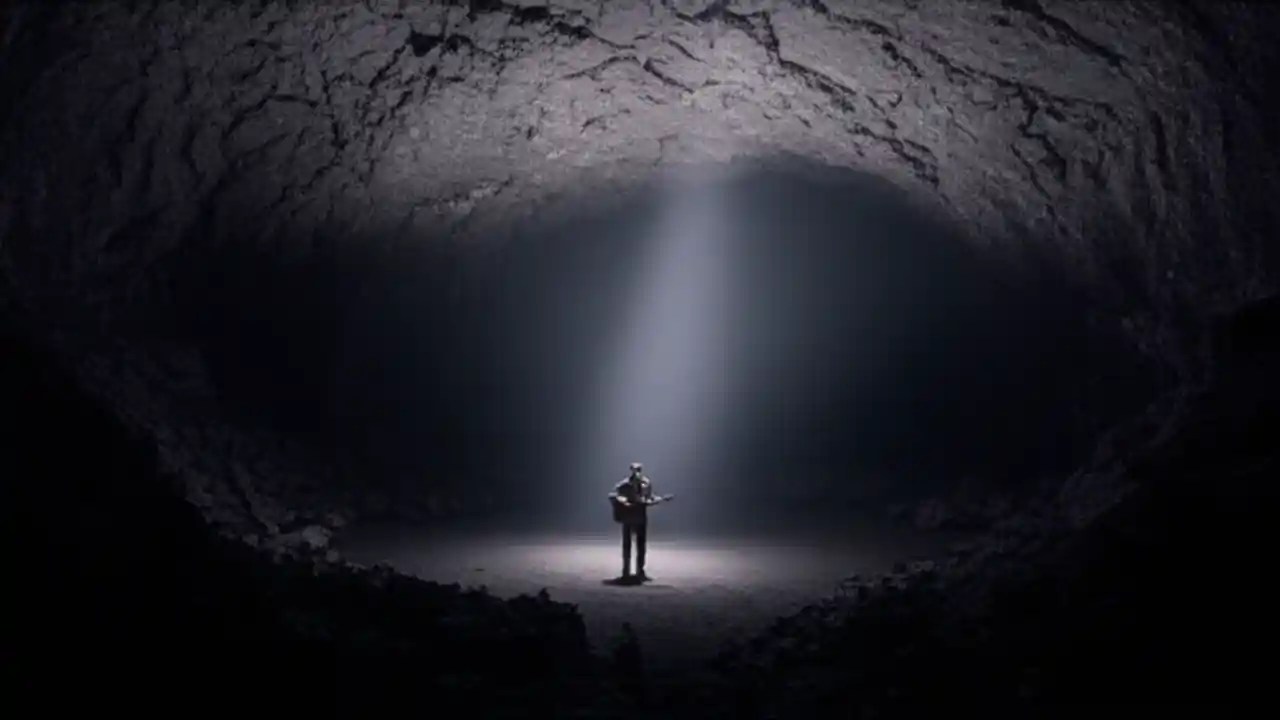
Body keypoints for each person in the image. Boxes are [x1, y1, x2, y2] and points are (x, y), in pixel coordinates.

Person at [611, 462, 654, 580]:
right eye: (635, 470)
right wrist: (623, 502)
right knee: (627, 545)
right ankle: (626, 571)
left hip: (641, 516)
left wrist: (650, 501)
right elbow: (615, 496)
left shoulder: (646, 483)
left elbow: (649, 497)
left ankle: (640, 570)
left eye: (639, 469)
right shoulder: (624, 485)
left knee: (641, 545)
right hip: (628, 517)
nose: (637, 472)